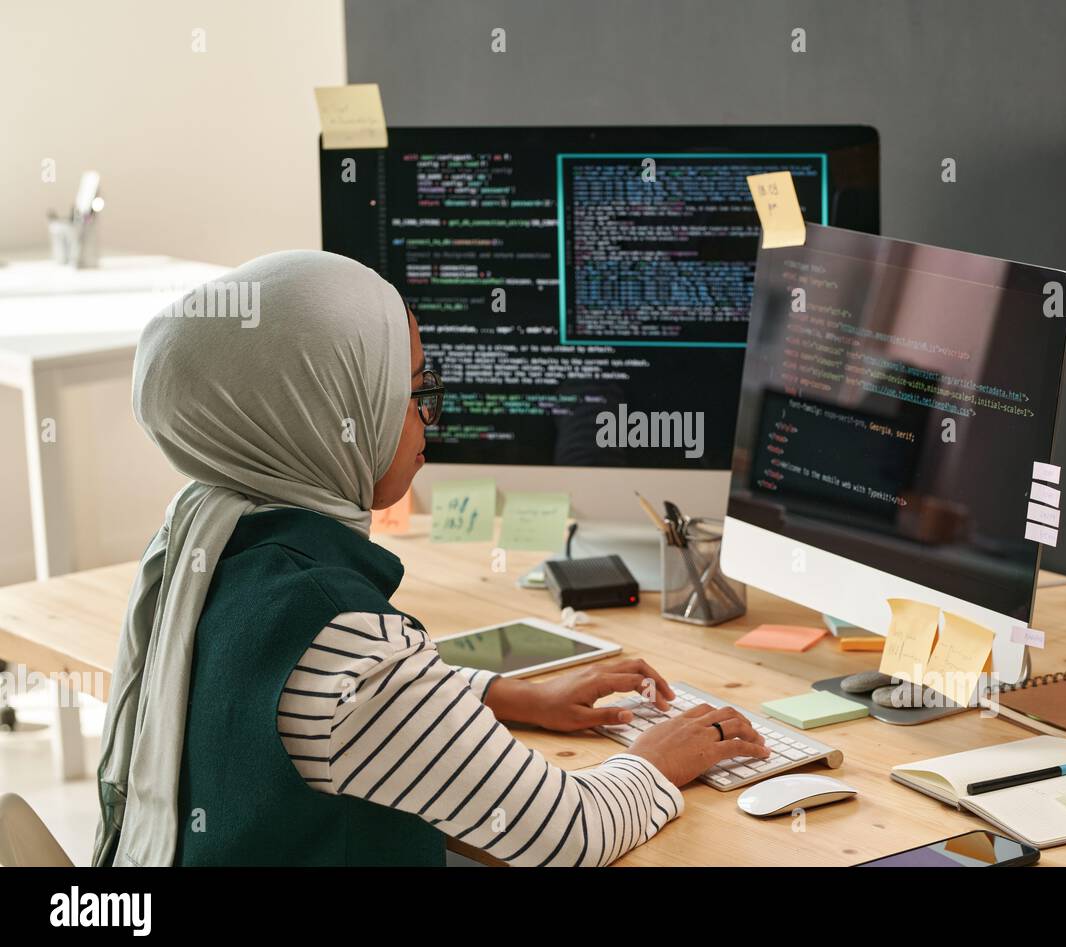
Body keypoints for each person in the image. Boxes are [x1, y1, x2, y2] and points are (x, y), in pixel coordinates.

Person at [93, 250, 767, 867]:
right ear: (327, 410)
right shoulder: (344, 640)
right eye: (412, 390)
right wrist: (655, 759)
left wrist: (509, 696)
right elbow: (565, 834)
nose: (428, 417)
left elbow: (331, 710)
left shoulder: (206, 539)